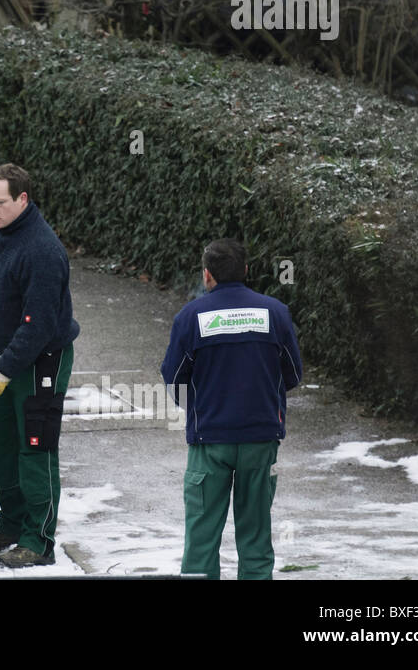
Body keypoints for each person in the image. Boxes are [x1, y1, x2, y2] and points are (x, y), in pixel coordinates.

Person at [160, 238, 303, 580]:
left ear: (207, 275)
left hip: (210, 439)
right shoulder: (276, 313)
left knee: (202, 534)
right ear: (247, 271)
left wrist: (199, 407)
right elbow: (293, 374)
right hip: (261, 438)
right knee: (256, 534)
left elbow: (174, 376)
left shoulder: (191, 316)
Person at [0, 163, 79, 568]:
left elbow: (40, 323)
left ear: (23, 199)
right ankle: (12, 524)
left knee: (35, 452)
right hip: (11, 356)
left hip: (41, 361)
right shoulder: (3, 236)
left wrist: (5, 367)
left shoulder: (43, 250)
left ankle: (39, 542)